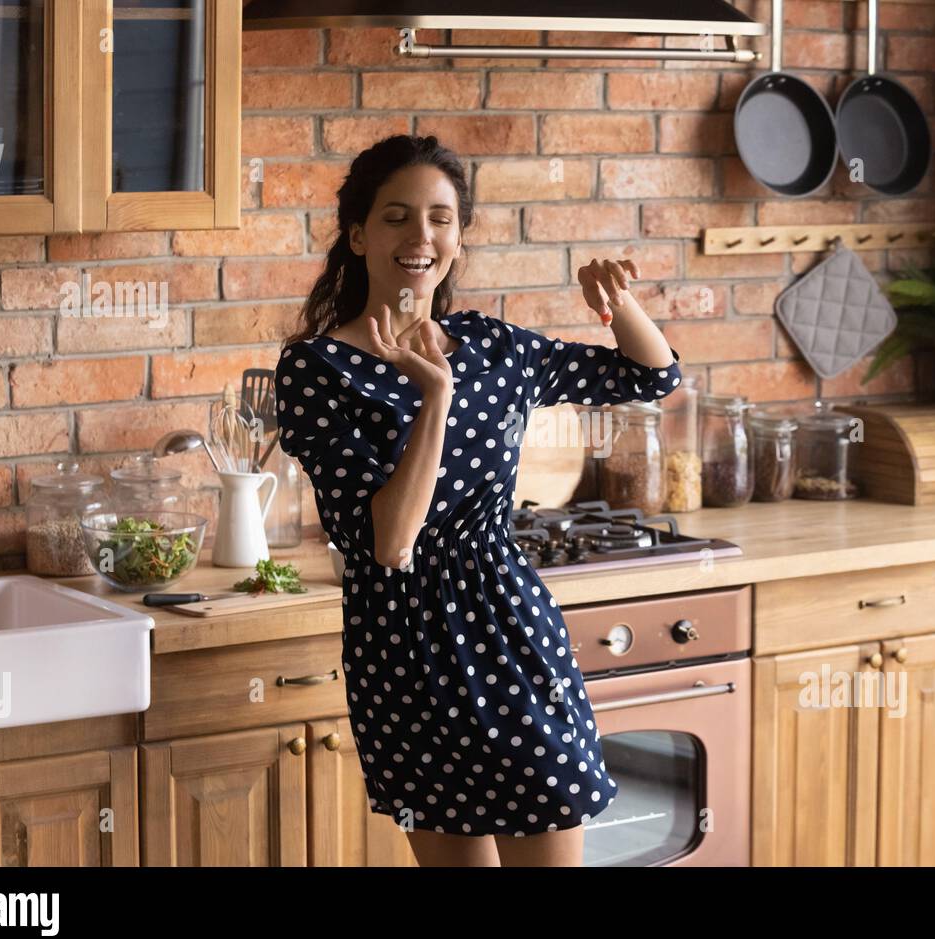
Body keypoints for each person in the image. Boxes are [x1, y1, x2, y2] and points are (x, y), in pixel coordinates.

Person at [275, 134, 682, 867]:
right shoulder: (316, 369)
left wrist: (618, 302)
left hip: (509, 632)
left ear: (458, 239)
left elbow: (649, 377)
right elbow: (391, 543)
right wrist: (435, 396)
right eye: (397, 217)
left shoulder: (495, 348)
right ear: (360, 234)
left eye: (440, 217)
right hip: (404, 652)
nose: (419, 236)